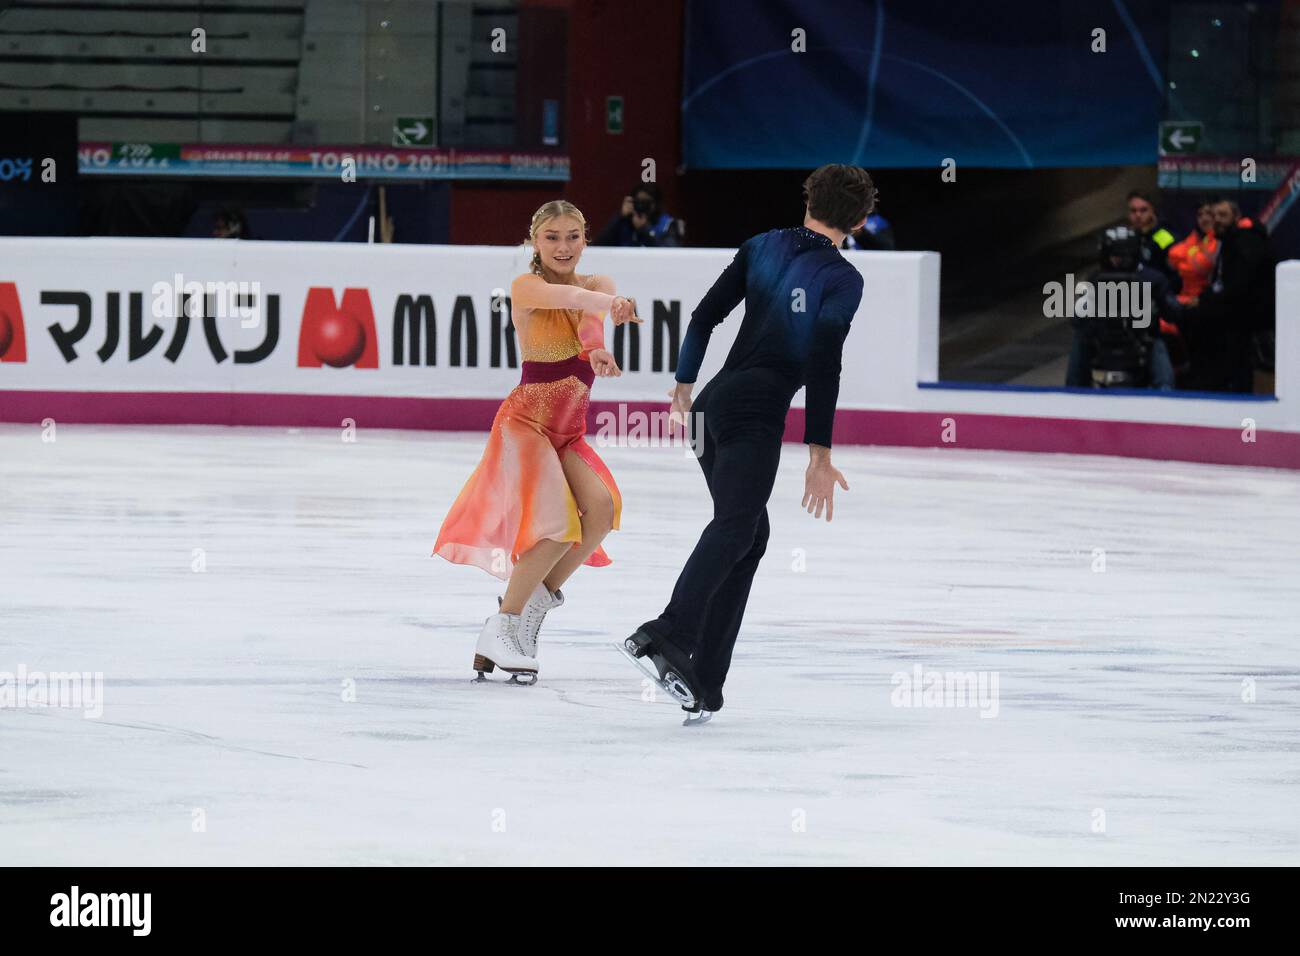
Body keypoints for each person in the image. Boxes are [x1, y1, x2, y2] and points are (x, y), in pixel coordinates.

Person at [621, 164, 873, 719]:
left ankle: (705, 681)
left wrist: (684, 385)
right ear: (858, 219)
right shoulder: (843, 278)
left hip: (711, 408)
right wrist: (820, 453)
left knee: (748, 532)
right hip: (754, 413)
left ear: (808, 199)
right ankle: (666, 632)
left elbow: (705, 317)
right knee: (737, 525)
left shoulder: (761, 246)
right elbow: (825, 361)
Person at [434, 200, 641, 682]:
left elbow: (589, 324)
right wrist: (608, 307)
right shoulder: (526, 287)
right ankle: (504, 625)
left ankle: (524, 611)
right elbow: (571, 303)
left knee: (603, 509)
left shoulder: (599, 284)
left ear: (586, 238)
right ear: (535, 242)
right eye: (552, 237)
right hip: (526, 425)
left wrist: (599, 350)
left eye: (573, 236)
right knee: (556, 528)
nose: (563, 246)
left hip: (568, 432)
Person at [1065, 226, 1181, 390]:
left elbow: (1173, 312)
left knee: (1156, 339)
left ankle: (1165, 392)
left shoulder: (1153, 279)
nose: (1118, 260)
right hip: (1102, 343)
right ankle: (1073, 392)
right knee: (1080, 337)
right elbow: (1077, 318)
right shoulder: (1095, 279)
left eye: (1124, 255)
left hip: (1141, 343)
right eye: (1115, 255)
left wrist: (1160, 304)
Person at [1179, 199, 1274, 392]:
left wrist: (1206, 302)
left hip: (1250, 323)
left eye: (1223, 215)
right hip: (1236, 318)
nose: (1217, 220)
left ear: (1236, 217)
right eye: (1214, 215)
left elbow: (1237, 287)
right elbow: (1221, 283)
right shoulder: (1229, 241)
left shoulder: (1246, 241)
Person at [593, 183, 683, 247]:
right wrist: (620, 217)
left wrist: (644, 230)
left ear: (656, 204)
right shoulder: (623, 222)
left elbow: (670, 252)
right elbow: (597, 245)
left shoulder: (667, 224)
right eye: (639, 202)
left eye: (646, 202)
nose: (641, 206)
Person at [1126, 190, 1179, 292]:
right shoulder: (1132, 236)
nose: (1138, 215)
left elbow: (1176, 277)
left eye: (1143, 210)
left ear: (1152, 211)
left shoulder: (1164, 238)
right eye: (1133, 211)